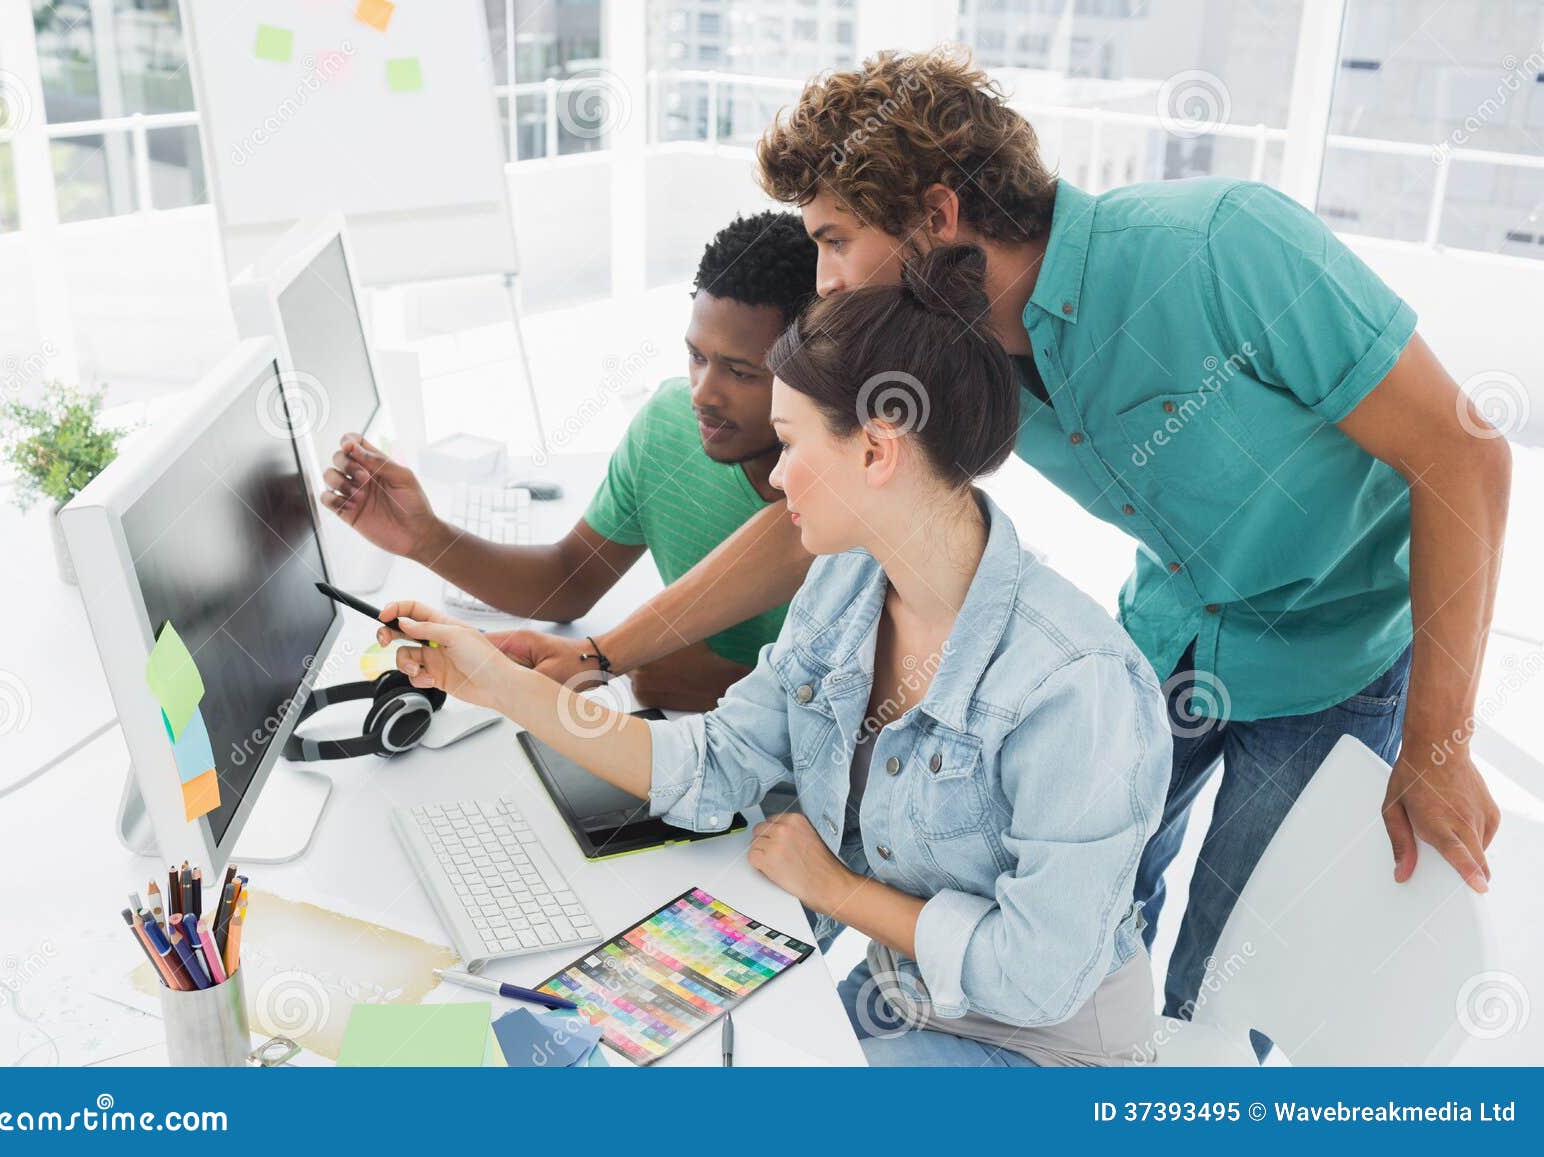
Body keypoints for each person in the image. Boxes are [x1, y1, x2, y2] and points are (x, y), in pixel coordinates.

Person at [489, 47, 1511, 1030]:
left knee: (1223, 975)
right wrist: (594, 654)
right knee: (1077, 927)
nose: (827, 278)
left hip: (1337, 652)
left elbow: (1465, 455)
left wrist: (1436, 740)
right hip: (1169, 631)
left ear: (937, 215)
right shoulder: (953, 336)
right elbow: (812, 521)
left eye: (836, 238)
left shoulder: (1219, 248)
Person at [374, 246, 1172, 1066]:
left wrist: (838, 890)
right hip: (902, 991)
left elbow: (1039, 976)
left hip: (1043, 1052)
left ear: (876, 449)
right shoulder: (845, 585)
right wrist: (497, 681)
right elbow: (715, 760)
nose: (778, 477)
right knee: (556, 1053)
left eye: (790, 444)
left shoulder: (1076, 684)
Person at [319, 211, 817, 710]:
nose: (703, 394)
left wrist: (712, 684)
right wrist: (426, 537)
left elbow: (864, 702)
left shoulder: (853, 497)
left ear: (812, 369)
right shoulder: (667, 427)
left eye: (740, 373)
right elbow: (570, 581)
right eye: (696, 357)